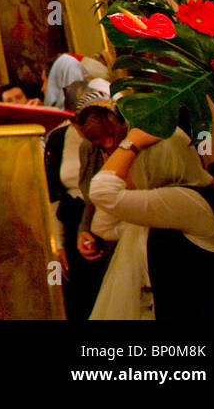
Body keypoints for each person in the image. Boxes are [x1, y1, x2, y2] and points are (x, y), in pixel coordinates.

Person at [88, 127, 214, 320]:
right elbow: (103, 227)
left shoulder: (183, 200)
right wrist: (122, 175)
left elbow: (102, 193)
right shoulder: (161, 208)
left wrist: (131, 143)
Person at [44, 83, 123, 319]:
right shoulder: (81, 146)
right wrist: (80, 234)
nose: (107, 144)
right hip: (83, 226)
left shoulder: (129, 142)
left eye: (110, 135)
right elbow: (85, 195)